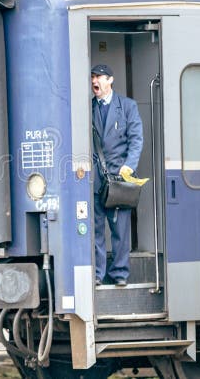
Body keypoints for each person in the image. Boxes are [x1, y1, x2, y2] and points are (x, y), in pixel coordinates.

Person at [91, 64, 143, 287]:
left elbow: (136, 139)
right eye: (93, 77)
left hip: (120, 178)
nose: (95, 81)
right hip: (95, 178)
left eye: (99, 77)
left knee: (120, 229)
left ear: (110, 80)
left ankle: (120, 273)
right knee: (95, 229)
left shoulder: (128, 106)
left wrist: (129, 166)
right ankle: (97, 274)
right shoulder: (88, 108)